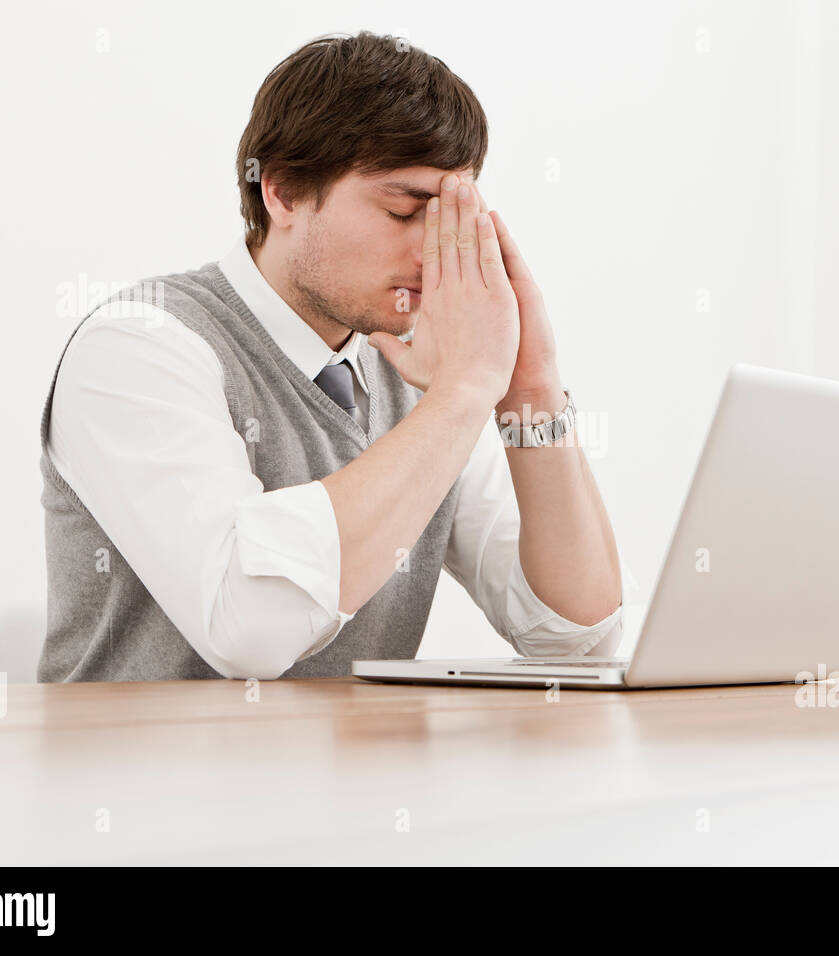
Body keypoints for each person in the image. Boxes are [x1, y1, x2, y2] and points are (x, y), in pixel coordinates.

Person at [38, 31, 625, 681]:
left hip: (349, 781)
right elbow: (249, 629)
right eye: (406, 211)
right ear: (283, 192)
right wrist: (463, 395)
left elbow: (580, 640)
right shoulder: (139, 346)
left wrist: (530, 391)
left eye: (451, 220)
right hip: (143, 779)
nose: (433, 252)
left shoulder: (426, 374)